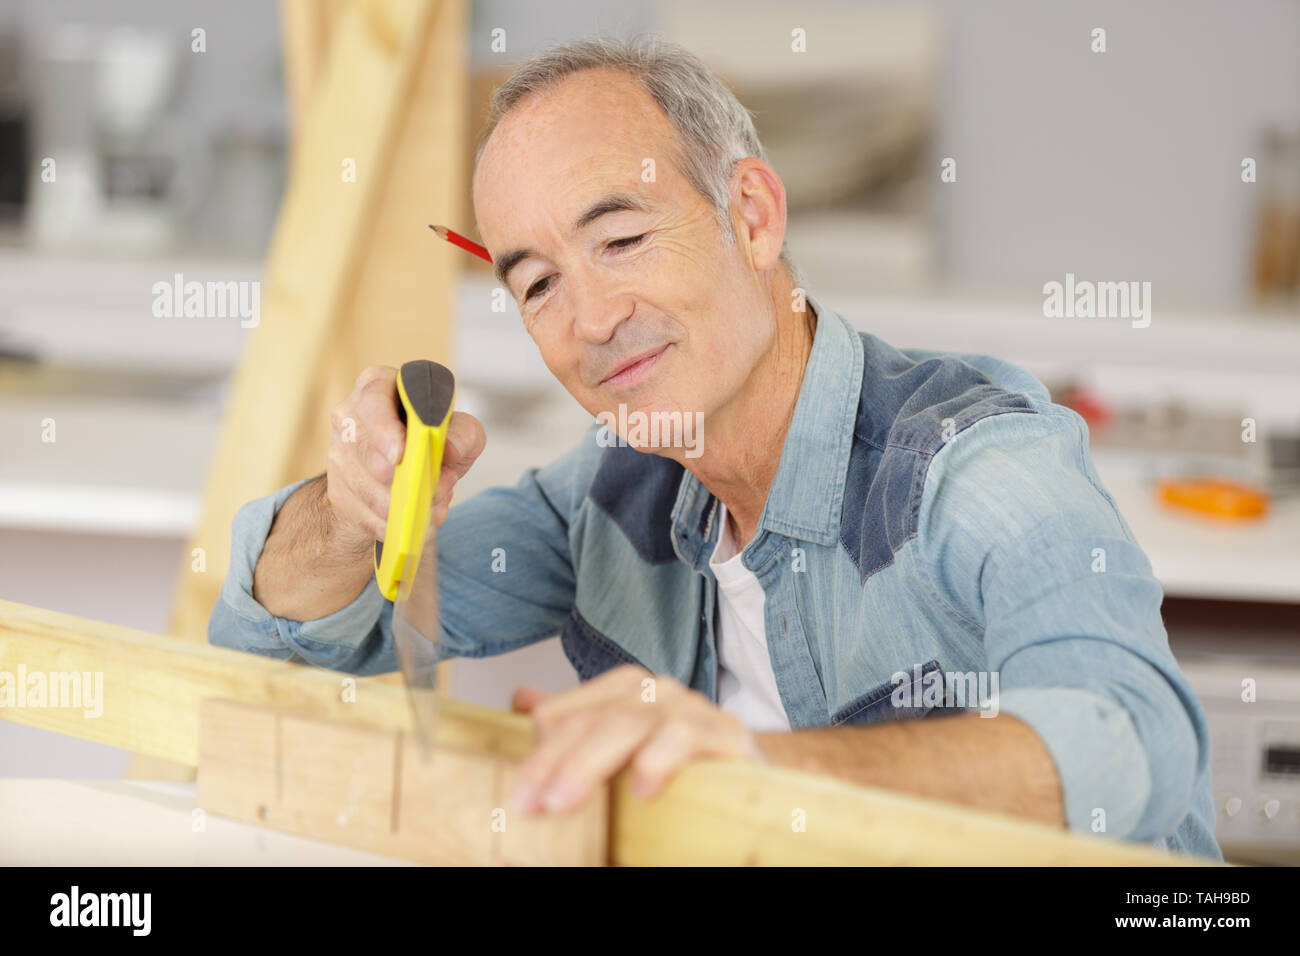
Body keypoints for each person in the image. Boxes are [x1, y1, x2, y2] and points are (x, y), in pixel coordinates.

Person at [210, 35, 1221, 860]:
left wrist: (754, 765)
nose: (591, 319)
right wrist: (347, 515)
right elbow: (288, 635)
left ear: (751, 214)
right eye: (538, 284)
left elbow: (1134, 737)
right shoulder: (609, 497)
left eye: (620, 240)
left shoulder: (973, 466)